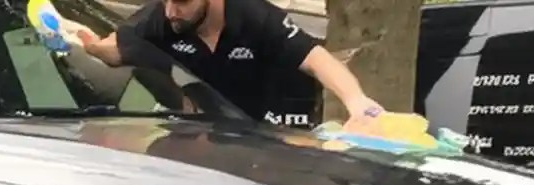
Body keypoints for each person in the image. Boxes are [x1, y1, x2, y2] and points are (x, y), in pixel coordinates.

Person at [76, 0, 385, 124]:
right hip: (210, 132)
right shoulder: (158, 19)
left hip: (272, 132)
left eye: (182, 2)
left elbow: (318, 60)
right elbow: (116, 48)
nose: (171, 11)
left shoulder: (255, 16)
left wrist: (357, 101)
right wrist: (90, 47)